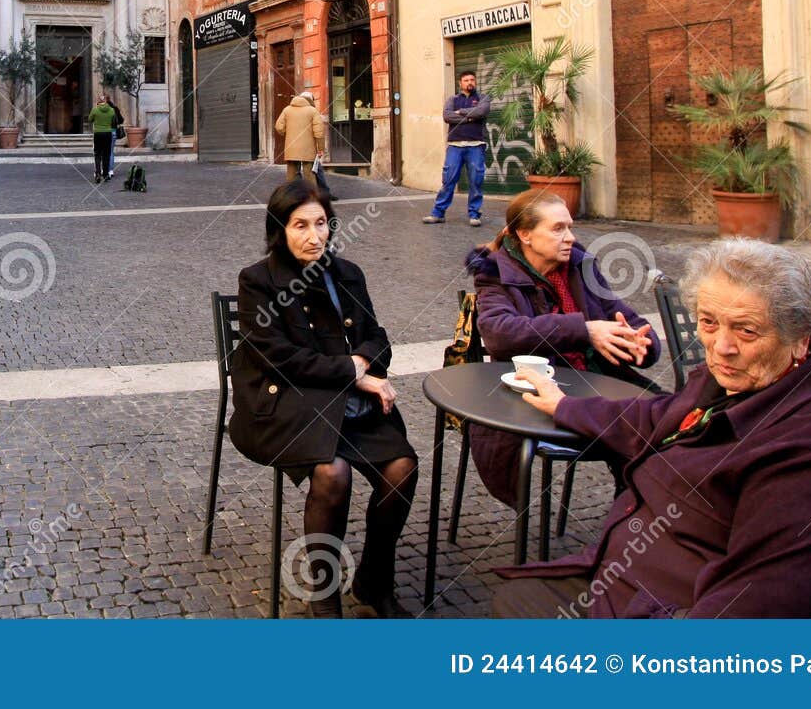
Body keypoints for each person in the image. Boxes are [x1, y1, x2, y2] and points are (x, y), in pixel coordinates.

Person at [493, 238, 811, 618]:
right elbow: (658, 417)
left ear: (800, 338)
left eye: (747, 330)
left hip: (652, 613)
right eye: (708, 322)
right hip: (624, 577)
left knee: (515, 608)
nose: (722, 347)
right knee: (517, 593)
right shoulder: (750, 382)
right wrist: (565, 406)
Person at [230, 180, 419, 618]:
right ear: (280, 228)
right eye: (300, 225)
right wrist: (354, 373)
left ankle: (374, 581)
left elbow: (378, 340)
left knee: (402, 468)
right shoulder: (258, 281)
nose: (313, 236)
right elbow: (276, 357)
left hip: (346, 406)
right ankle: (324, 598)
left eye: (320, 224)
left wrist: (362, 365)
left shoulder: (347, 273)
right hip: (284, 406)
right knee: (332, 474)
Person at [463, 189, 662, 508]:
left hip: (599, 384)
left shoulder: (582, 267)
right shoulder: (495, 274)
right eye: (558, 228)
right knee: (636, 430)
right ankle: (631, 520)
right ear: (525, 234)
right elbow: (500, 334)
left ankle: (633, 517)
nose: (569, 237)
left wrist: (639, 342)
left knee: (668, 428)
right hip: (534, 395)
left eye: (569, 226)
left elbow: (622, 314)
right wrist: (583, 330)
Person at [425, 69, 490, 226]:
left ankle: (474, 214)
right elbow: (447, 116)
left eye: (472, 80)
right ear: (460, 83)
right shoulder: (452, 99)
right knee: (448, 180)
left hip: (476, 145)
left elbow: (481, 111)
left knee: (476, 181)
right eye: (466, 80)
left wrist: (461, 113)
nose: (470, 83)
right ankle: (438, 213)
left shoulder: (483, 98)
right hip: (455, 146)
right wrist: (470, 117)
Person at [274, 91, 325, 187]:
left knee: (291, 175)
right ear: (311, 100)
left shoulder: (287, 110)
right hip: (308, 148)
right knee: (309, 175)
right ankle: (311, 197)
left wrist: (287, 133)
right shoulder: (313, 111)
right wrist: (321, 148)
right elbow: (319, 132)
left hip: (291, 147)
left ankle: (291, 195)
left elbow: (279, 127)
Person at [87, 96, 116, 184]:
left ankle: (98, 174)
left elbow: (89, 119)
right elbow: (114, 122)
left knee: (97, 154)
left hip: (98, 133)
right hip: (108, 133)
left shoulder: (95, 110)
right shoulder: (111, 110)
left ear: (98, 102)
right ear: (106, 102)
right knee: (107, 154)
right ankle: (106, 175)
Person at [103, 94, 123, 177]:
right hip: (113, 132)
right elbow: (121, 120)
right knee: (111, 152)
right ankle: (110, 171)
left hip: (104, 132)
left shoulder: (101, 110)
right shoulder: (115, 108)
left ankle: (104, 170)